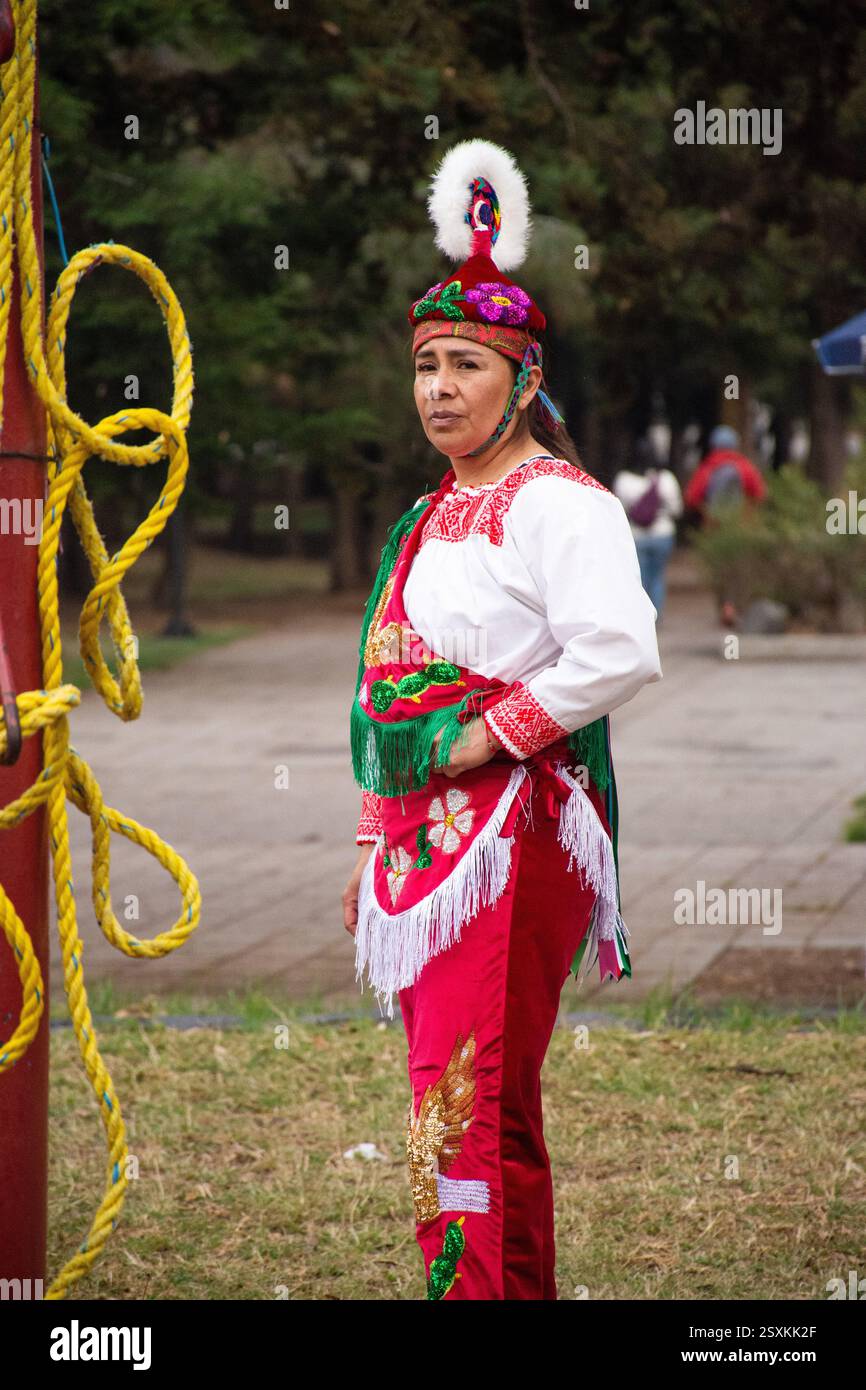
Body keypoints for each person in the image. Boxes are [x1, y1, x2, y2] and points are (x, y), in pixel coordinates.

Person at [340, 139, 662, 1301]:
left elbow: (619, 649)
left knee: (461, 1105)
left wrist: (488, 736)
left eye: (464, 364)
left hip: (514, 834)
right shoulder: (429, 513)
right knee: (470, 1104)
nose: (436, 389)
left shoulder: (558, 505)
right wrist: (378, 833)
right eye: (424, 364)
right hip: (429, 847)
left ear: (522, 381)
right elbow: (395, 688)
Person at [684, 425, 767, 626]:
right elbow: (760, 494)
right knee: (739, 569)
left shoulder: (708, 468)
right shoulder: (745, 467)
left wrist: (709, 512)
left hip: (714, 529)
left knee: (719, 571)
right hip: (740, 528)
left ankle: (724, 607)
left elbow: (691, 498)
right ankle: (736, 606)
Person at [613, 437, 683, 622]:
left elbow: (619, 509)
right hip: (663, 532)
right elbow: (677, 509)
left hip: (636, 535)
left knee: (639, 578)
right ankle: (656, 617)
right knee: (658, 576)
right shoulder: (666, 478)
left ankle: (642, 618)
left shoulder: (624, 480)